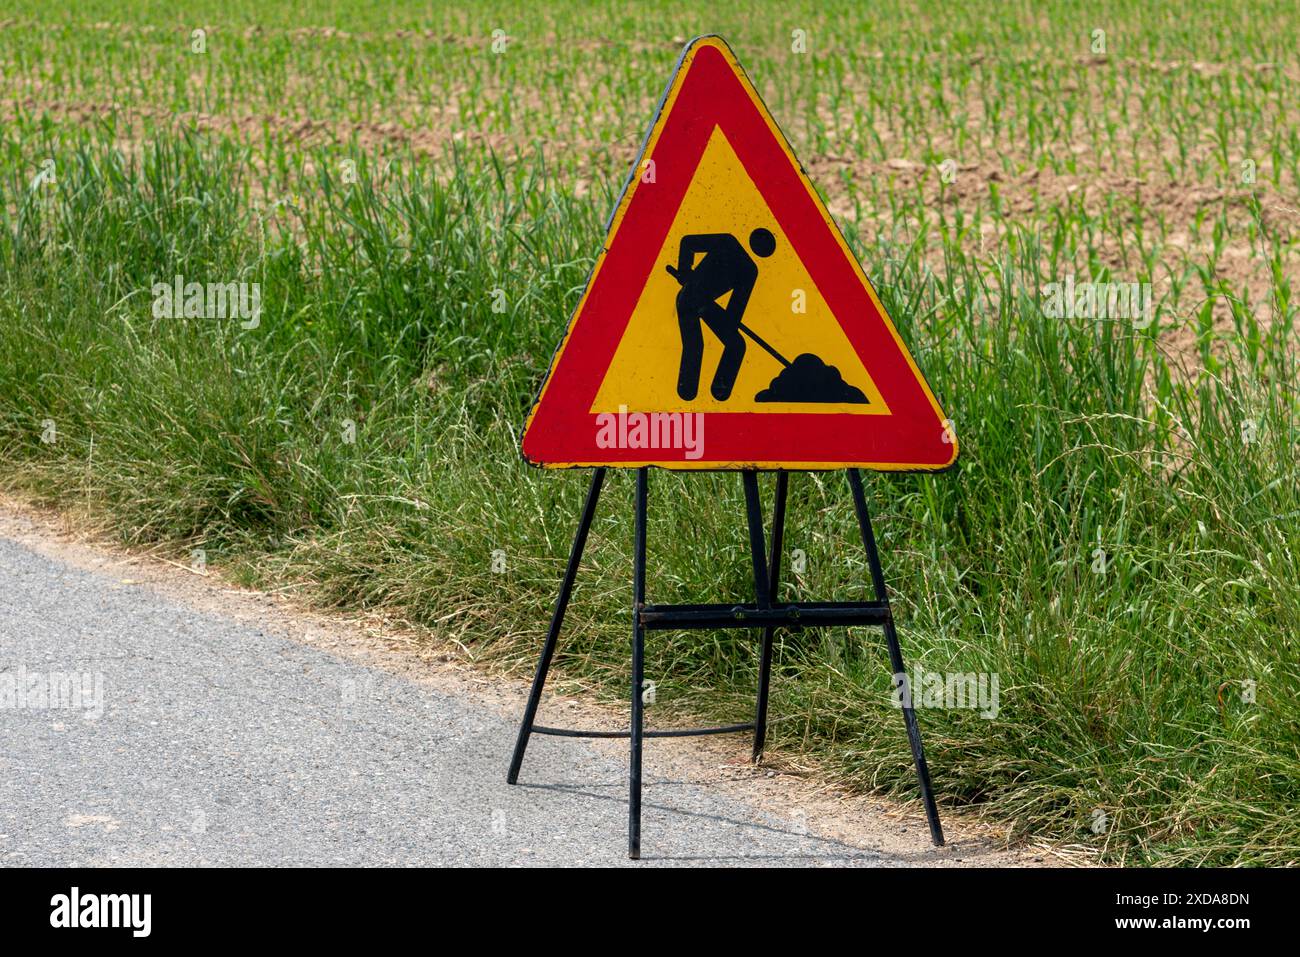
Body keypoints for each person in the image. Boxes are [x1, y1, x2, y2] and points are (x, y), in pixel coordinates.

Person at [666, 228, 776, 402]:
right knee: (695, 345)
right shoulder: (727, 242)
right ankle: (687, 392)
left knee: (736, 345)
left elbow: (735, 309)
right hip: (688, 298)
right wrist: (685, 269)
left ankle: (720, 391)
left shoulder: (750, 270)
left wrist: (730, 322)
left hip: (705, 304)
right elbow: (688, 242)